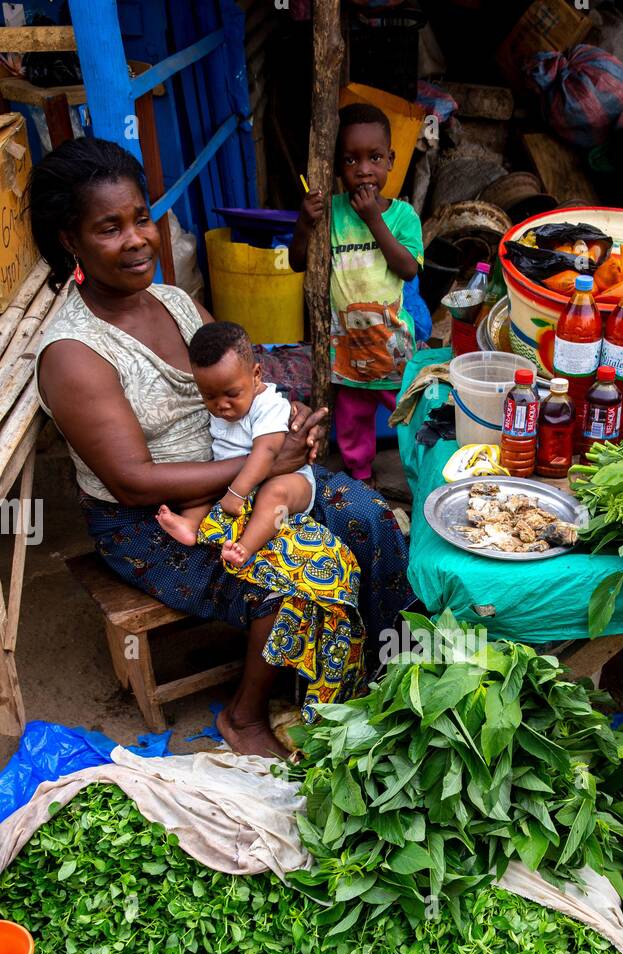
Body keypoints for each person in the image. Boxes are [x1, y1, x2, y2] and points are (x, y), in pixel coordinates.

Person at [29, 136, 415, 757]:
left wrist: (281, 420)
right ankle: (246, 715)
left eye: (141, 217)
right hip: (151, 520)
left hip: (238, 470)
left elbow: (236, 379)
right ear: (70, 239)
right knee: (309, 566)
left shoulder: (175, 301)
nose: (137, 239)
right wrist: (264, 460)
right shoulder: (74, 354)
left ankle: (389, 671)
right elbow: (131, 481)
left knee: (369, 517)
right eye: (109, 228)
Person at [290, 101, 423, 483]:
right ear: (336, 166)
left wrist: (373, 220)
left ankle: (417, 476)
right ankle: (360, 476)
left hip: (392, 343)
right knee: (352, 418)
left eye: (375, 157)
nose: (364, 169)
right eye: (351, 160)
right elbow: (299, 261)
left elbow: (408, 268)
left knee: (410, 413)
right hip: (346, 346)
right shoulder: (328, 213)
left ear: (391, 160)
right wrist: (304, 223)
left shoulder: (402, 216)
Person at [156, 319, 315, 569]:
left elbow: (268, 451)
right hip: (236, 486)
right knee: (199, 492)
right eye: (209, 396)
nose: (221, 405)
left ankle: (245, 548)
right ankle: (190, 524)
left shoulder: (268, 405)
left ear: (256, 375)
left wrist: (236, 492)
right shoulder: (221, 406)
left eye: (232, 394)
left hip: (290, 480)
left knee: (275, 495)